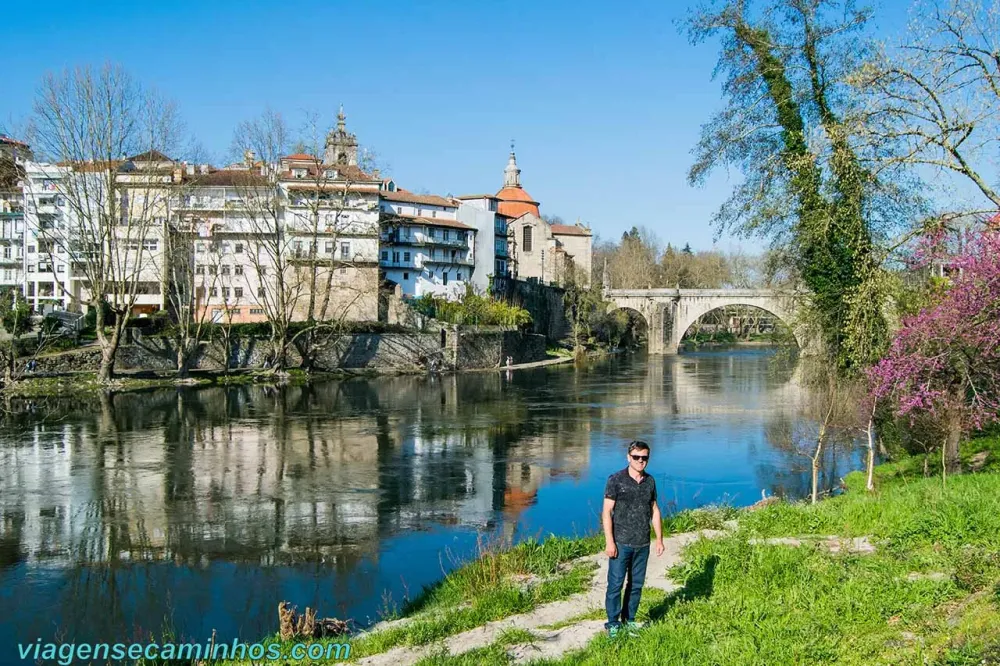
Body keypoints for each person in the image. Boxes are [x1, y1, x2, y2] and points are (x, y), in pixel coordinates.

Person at [602, 440, 664, 637]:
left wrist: (659, 539)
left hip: (642, 543)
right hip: (620, 543)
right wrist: (610, 542)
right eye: (636, 457)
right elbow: (606, 512)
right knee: (615, 585)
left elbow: (654, 510)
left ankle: (629, 620)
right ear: (628, 457)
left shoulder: (650, 482)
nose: (640, 461)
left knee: (636, 585)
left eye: (644, 458)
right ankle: (613, 623)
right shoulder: (616, 480)